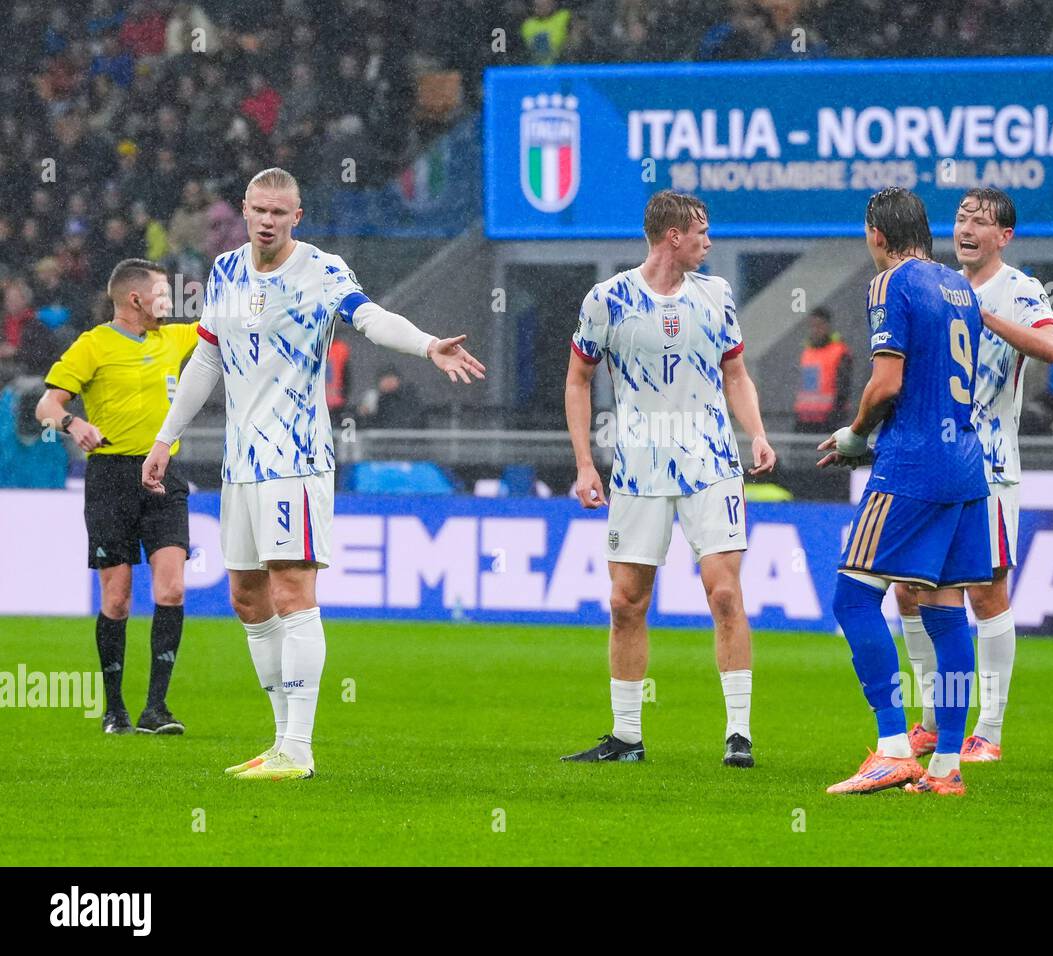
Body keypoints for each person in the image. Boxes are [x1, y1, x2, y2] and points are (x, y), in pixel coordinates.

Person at [141, 167, 485, 780]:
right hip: (240, 462)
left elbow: (370, 317)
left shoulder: (322, 272)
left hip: (295, 461)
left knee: (293, 593)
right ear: (244, 211)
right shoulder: (224, 273)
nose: (268, 220)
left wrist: (428, 344)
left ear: (296, 217)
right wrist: (166, 437)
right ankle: (280, 741)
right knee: (247, 598)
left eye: (280, 212)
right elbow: (206, 359)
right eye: (259, 210)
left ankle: (298, 748)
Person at [563, 190, 775, 767]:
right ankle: (627, 737)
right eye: (701, 232)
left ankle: (739, 735)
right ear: (672, 236)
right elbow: (578, 379)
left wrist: (754, 430)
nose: (709, 242)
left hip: (710, 462)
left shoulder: (717, 295)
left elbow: (735, 373)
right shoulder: (608, 300)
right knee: (626, 602)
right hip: (637, 467)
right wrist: (585, 463)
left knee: (725, 593)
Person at [817, 187, 990, 797]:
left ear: (879, 235)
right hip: (967, 467)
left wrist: (857, 433)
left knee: (853, 598)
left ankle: (893, 747)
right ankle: (946, 765)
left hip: (912, 464)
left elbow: (886, 382)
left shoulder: (890, 283)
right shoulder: (960, 286)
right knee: (946, 613)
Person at [894, 188, 1053, 763]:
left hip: (989, 465)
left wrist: (983, 316)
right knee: (910, 589)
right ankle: (927, 720)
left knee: (987, 594)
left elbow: (1052, 346)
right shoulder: (936, 282)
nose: (966, 227)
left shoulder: (1019, 289)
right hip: (933, 463)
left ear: (1005, 236)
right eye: (962, 217)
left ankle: (987, 732)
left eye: (981, 221)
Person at [36, 259, 198, 734]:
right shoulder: (94, 345)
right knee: (119, 597)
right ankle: (115, 709)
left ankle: (156, 709)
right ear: (135, 299)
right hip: (111, 478)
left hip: (164, 475)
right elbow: (48, 403)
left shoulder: (175, 338)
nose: (170, 302)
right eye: (163, 293)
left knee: (171, 588)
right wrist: (74, 423)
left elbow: (223, 325)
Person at [793, 307, 853, 433]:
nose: (815, 330)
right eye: (812, 326)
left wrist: (835, 415)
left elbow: (843, 388)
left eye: (819, 325)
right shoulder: (807, 352)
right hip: (805, 419)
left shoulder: (839, 351)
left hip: (829, 420)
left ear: (827, 326)